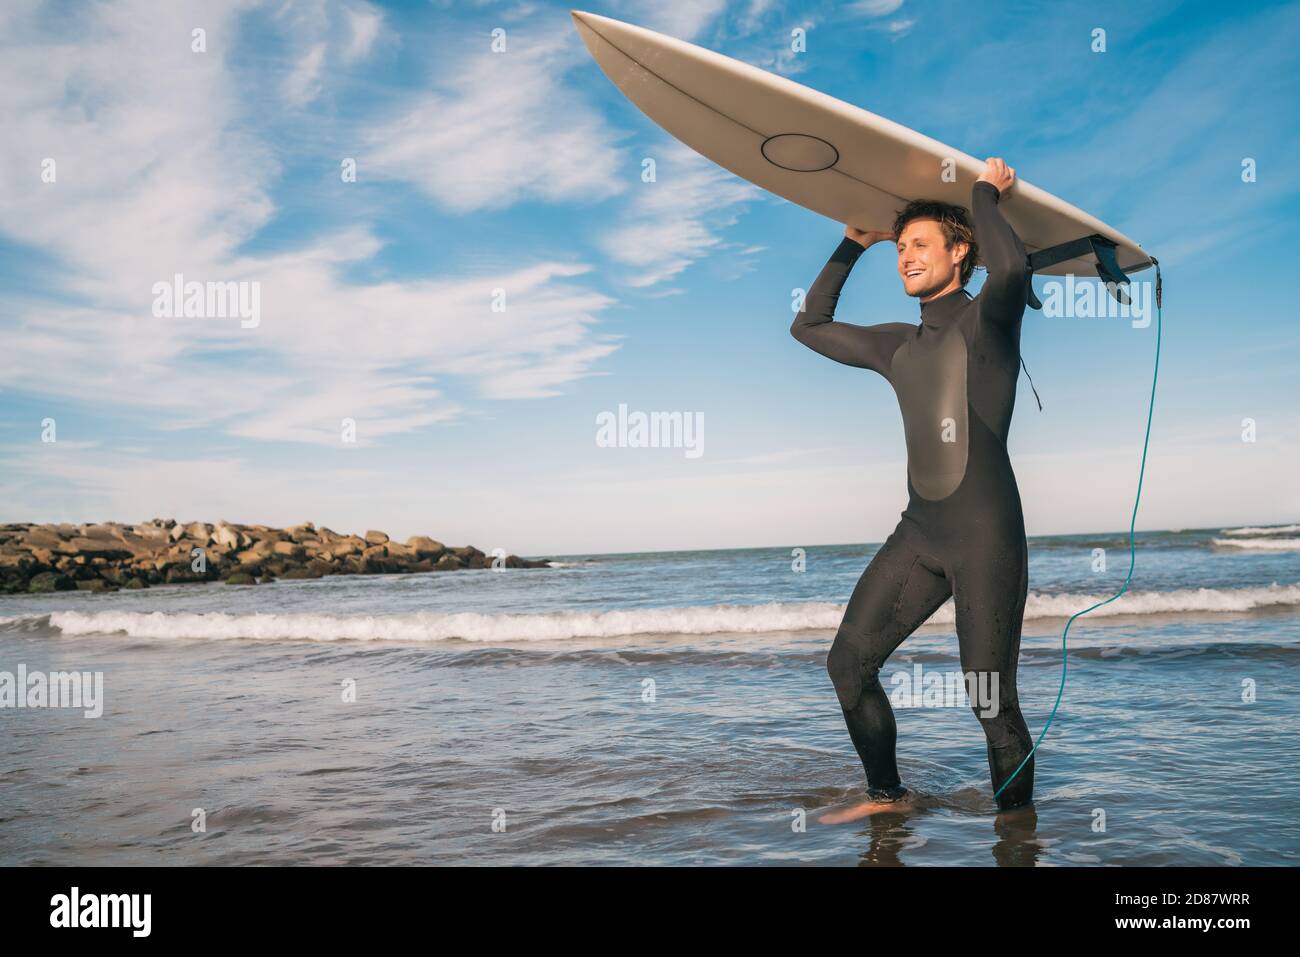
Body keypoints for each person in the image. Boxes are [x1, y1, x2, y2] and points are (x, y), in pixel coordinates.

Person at [791, 158, 1035, 818]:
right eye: (900, 248)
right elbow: (807, 325)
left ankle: (1017, 837)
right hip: (921, 532)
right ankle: (887, 798)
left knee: (990, 699)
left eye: (919, 244)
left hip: (987, 534)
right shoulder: (896, 343)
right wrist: (853, 242)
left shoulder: (991, 317)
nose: (905, 257)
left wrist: (986, 193)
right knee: (848, 663)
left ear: (960, 252)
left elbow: (1013, 268)